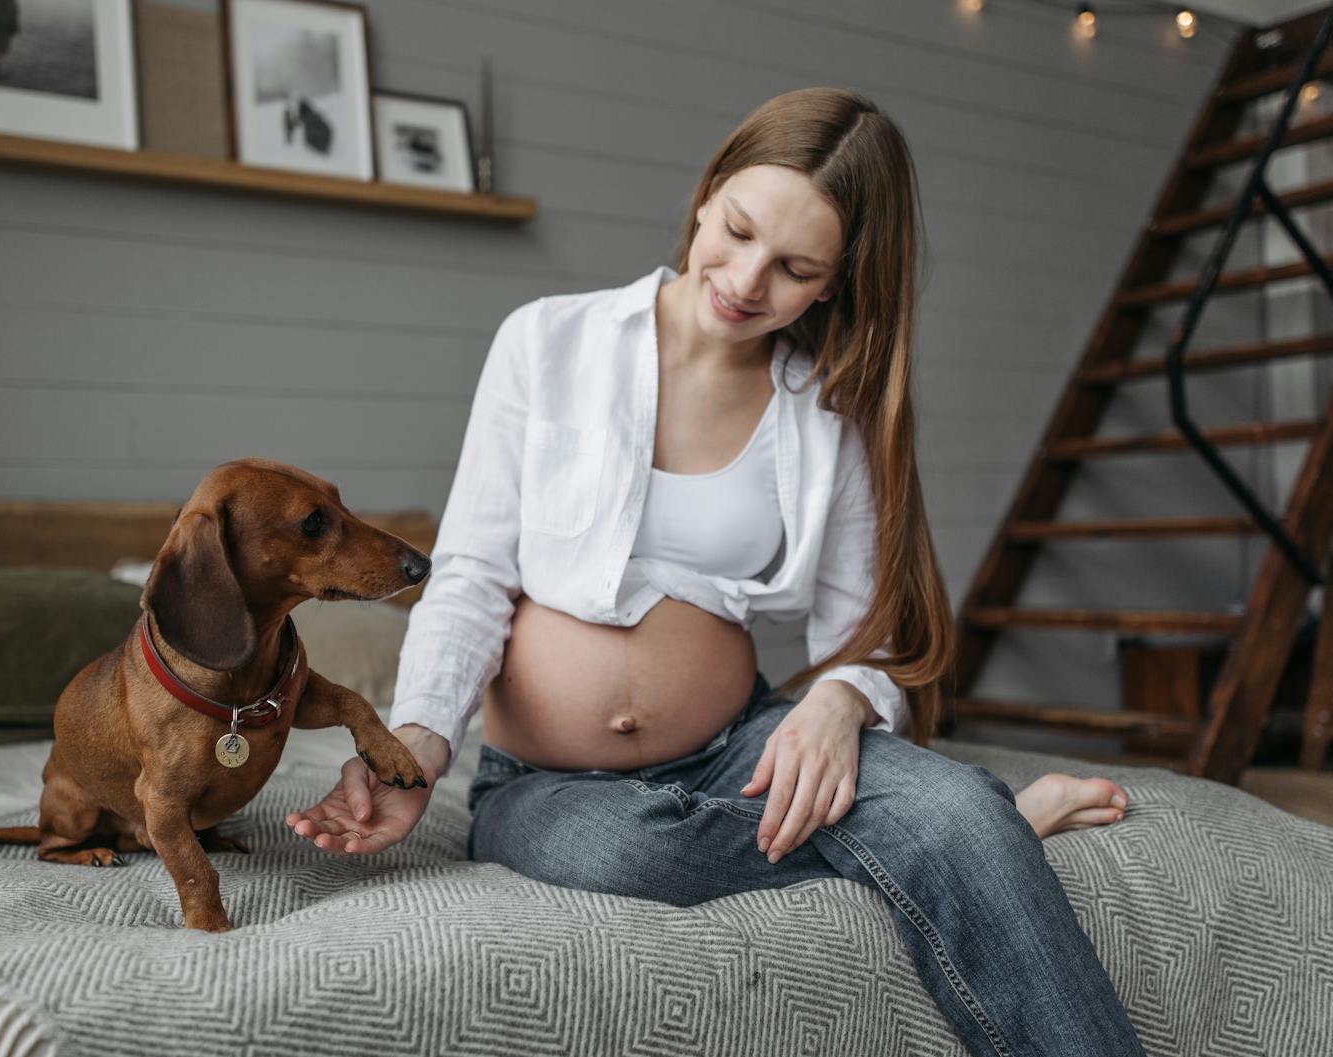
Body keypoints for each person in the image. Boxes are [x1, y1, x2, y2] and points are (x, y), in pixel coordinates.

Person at [287, 88, 1146, 1056]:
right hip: (549, 783)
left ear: (834, 285)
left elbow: (869, 637)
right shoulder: (547, 341)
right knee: (630, 848)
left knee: (943, 811)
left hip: (741, 746)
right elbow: (474, 575)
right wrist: (414, 749)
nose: (744, 280)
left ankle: (960, 830)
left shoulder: (831, 416)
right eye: (737, 231)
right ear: (707, 196)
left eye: (795, 269)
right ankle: (972, 834)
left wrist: (838, 703)